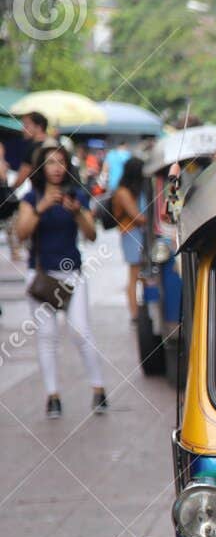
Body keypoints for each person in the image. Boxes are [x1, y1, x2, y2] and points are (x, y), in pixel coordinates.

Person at [14, 145, 105, 419]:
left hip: (73, 274)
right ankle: (52, 396)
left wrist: (77, 212)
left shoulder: (77, 195)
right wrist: (40, 208)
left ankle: (98, 389)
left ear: (67, 166)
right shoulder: (31, 197)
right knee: (46, 337)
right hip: (42, 275)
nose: (56, 168)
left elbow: (91, 235)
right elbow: (21, 234)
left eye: (61, 162)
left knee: (81, 332)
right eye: (51, 162)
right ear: (41, 168)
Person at [111, 158, 147, 322]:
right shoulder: (123, 192)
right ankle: (135, 313)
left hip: (135, 234)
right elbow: (136, 217)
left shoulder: (131, 190)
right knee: (134, 275)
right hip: (131, 234)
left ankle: (143, 310)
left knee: (142, 275)